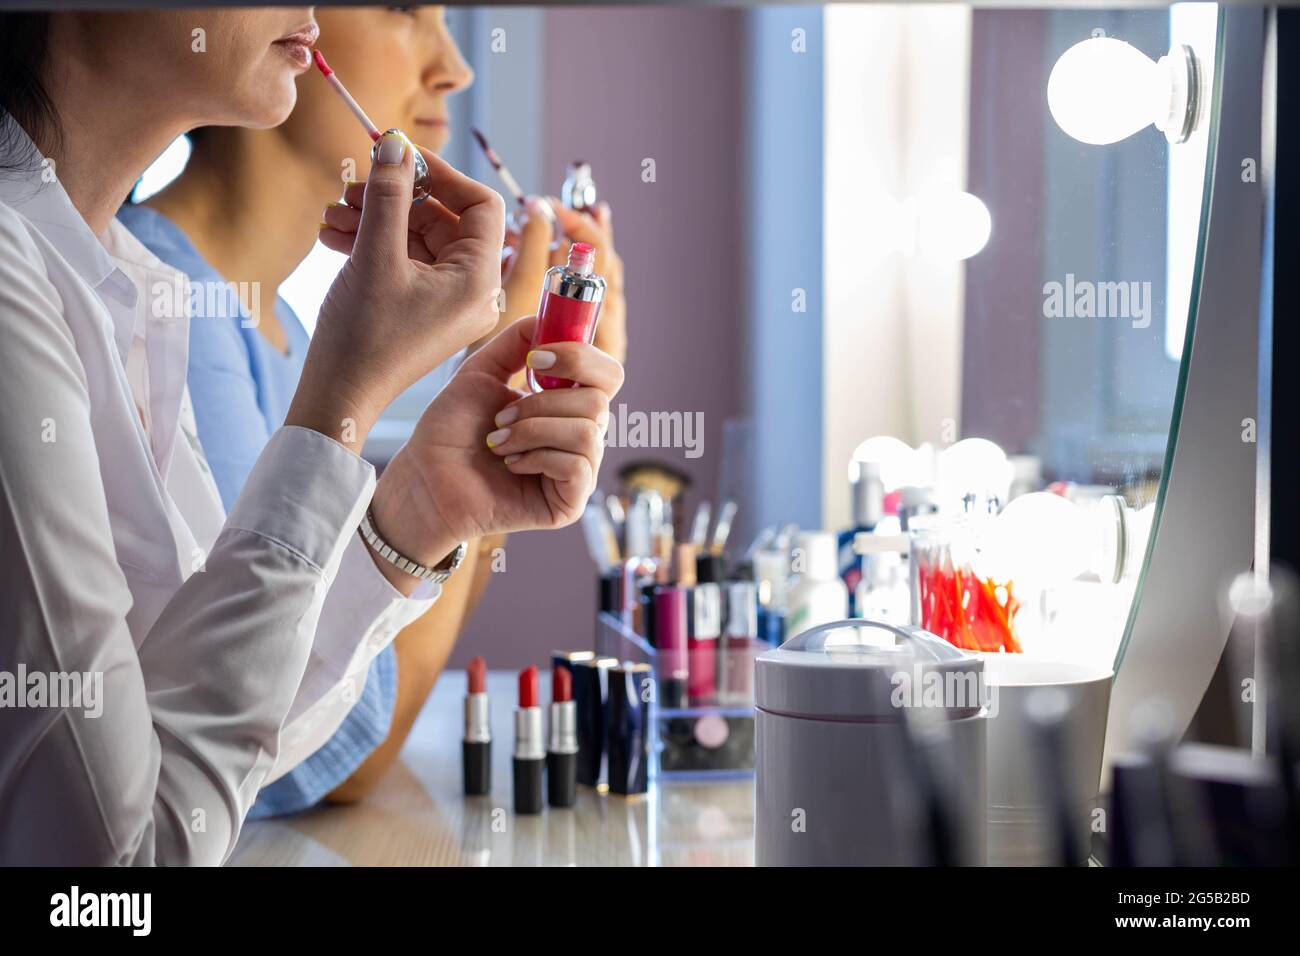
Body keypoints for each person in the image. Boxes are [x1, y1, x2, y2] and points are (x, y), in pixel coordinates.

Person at [0, 8, 622, 864]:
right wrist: (344, 397)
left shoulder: (129, 292)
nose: (456, 70)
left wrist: (422, 510)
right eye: (402, 8)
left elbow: (199, 736)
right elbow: (117, 873)